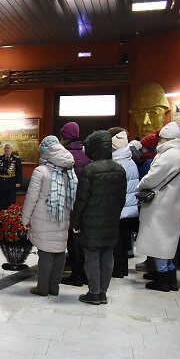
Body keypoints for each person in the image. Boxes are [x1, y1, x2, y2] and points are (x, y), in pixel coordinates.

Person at [70, 130, 128, 305]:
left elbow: (81, 200)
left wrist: (76, 222)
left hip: (91, 221)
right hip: (111, 220)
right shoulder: (120, 169)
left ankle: (94, 292)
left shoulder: (90, 170)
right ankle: (103, 292)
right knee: (107, 254)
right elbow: (122, 199)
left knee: (92, 256)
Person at [136, 122, 180, 292]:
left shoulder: (169, 155)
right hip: (173, 204)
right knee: (169, 242)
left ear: (166, 139)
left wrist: (140, 185)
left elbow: (152, 177)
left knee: (159, 241)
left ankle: (163, 280)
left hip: (161, 204)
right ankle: (170, 278)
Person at [22, 136, 76, 296]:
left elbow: (32, 196)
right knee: (59, 251)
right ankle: (54, 287)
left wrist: (24, 219)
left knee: (45, 252)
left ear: (45, 151)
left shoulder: (41, 170)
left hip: (43, 215)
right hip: (63, 214)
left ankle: (42, 288)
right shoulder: (68, 168)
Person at [60, 121, 91, 287]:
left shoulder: (63, 155)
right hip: (84, 204)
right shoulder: (87, 155)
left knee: (72, 240)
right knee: (81, 239)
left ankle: (76, 275)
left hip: (68, 204)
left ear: (65, 137)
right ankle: (85, 274)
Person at [109, 129, 139, 278]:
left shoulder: (117, 162)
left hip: (120, 208)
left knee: (117, 241)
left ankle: (117, 270)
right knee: (123, 239)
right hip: (129, 207)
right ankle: (122, 269)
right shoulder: (130, 160)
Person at [0, 143, 23, 210]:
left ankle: (10, 217)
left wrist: (18, 182)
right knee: (2, 201)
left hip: (11, 183)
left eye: (8, 148)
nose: (6, 149)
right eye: (5, 148)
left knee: (11, 201)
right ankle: (1, 217)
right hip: (1, 182)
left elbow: (19, 171)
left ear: (11, 150)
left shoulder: (16, 159)